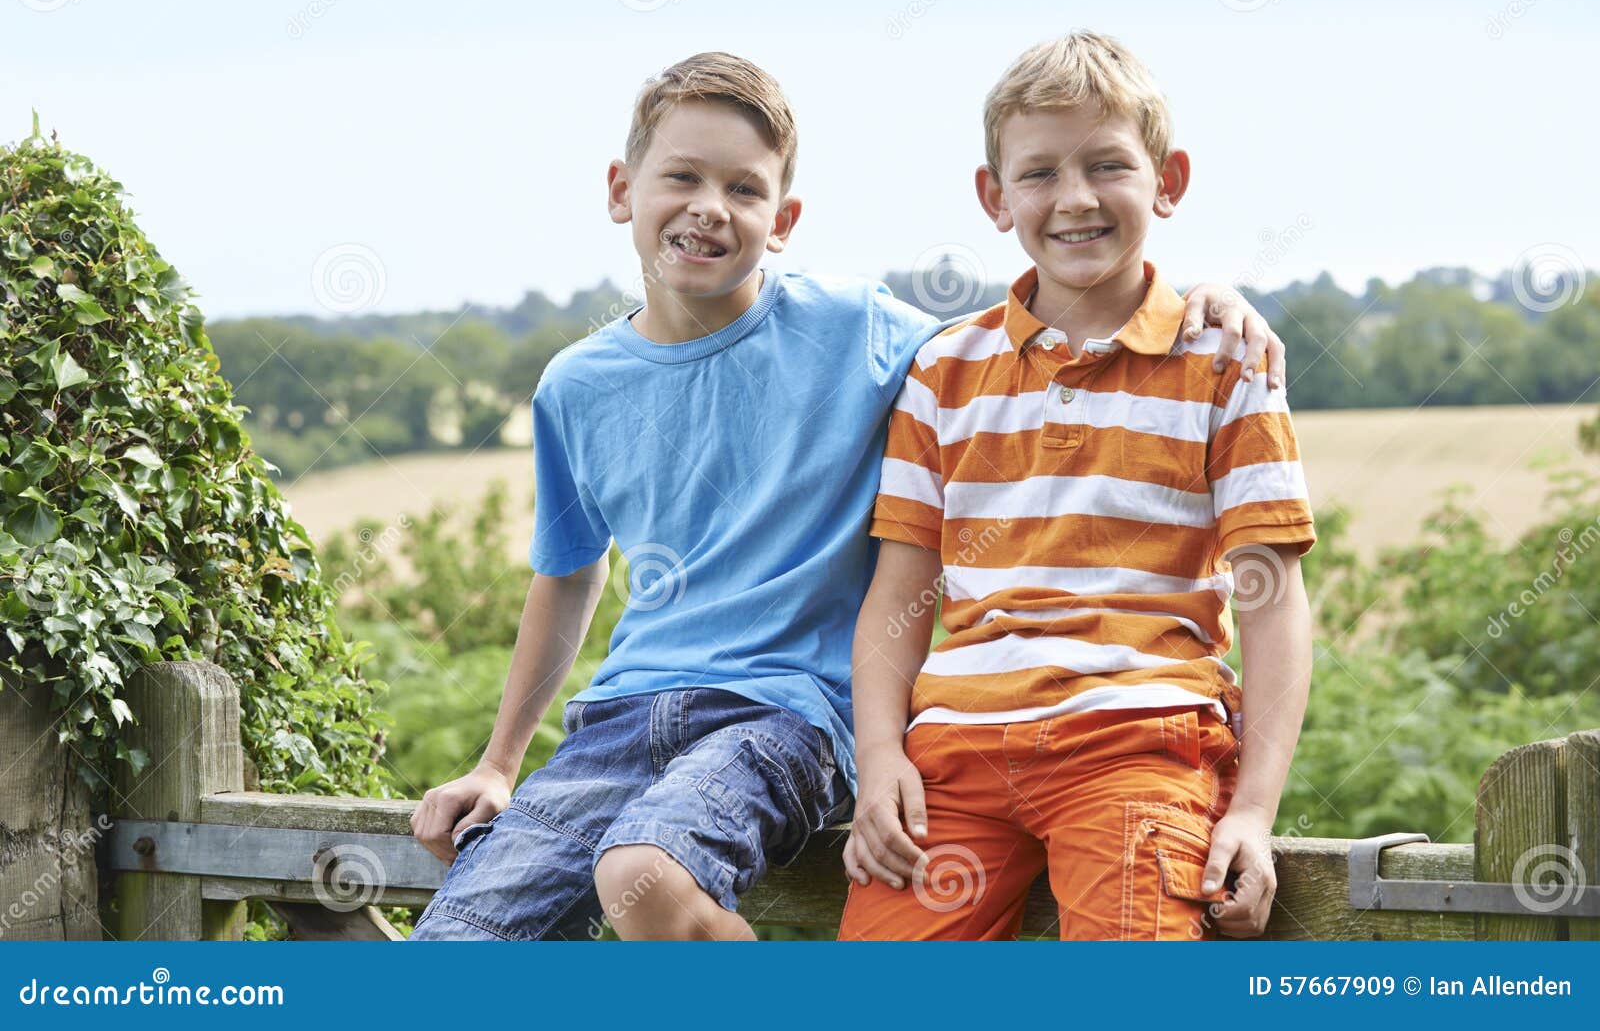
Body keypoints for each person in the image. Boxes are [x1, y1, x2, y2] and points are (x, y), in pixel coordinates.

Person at [408, 50, 1285, 940]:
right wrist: (498, 762)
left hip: (788, 714)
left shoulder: (863, 334)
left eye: (743, 189)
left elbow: (1051, 333)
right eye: (682, 177)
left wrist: (1204, 301)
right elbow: (568, 574)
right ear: (620, 190)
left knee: (644, 872)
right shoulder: (575, 386)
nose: (709, 207)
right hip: (622, 721)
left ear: (782, 220)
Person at [838, 31, 1315, 940]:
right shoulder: (944, 372)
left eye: (1108, 165)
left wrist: (1254, 809)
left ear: (1168, 180)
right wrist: (878, 757)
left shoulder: (1227, 363)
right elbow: (897, 595)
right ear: (995, 197)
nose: (1076, 198)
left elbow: (1273, 599)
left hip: (1137, 744)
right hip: (955, 756)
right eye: (1040, 173)